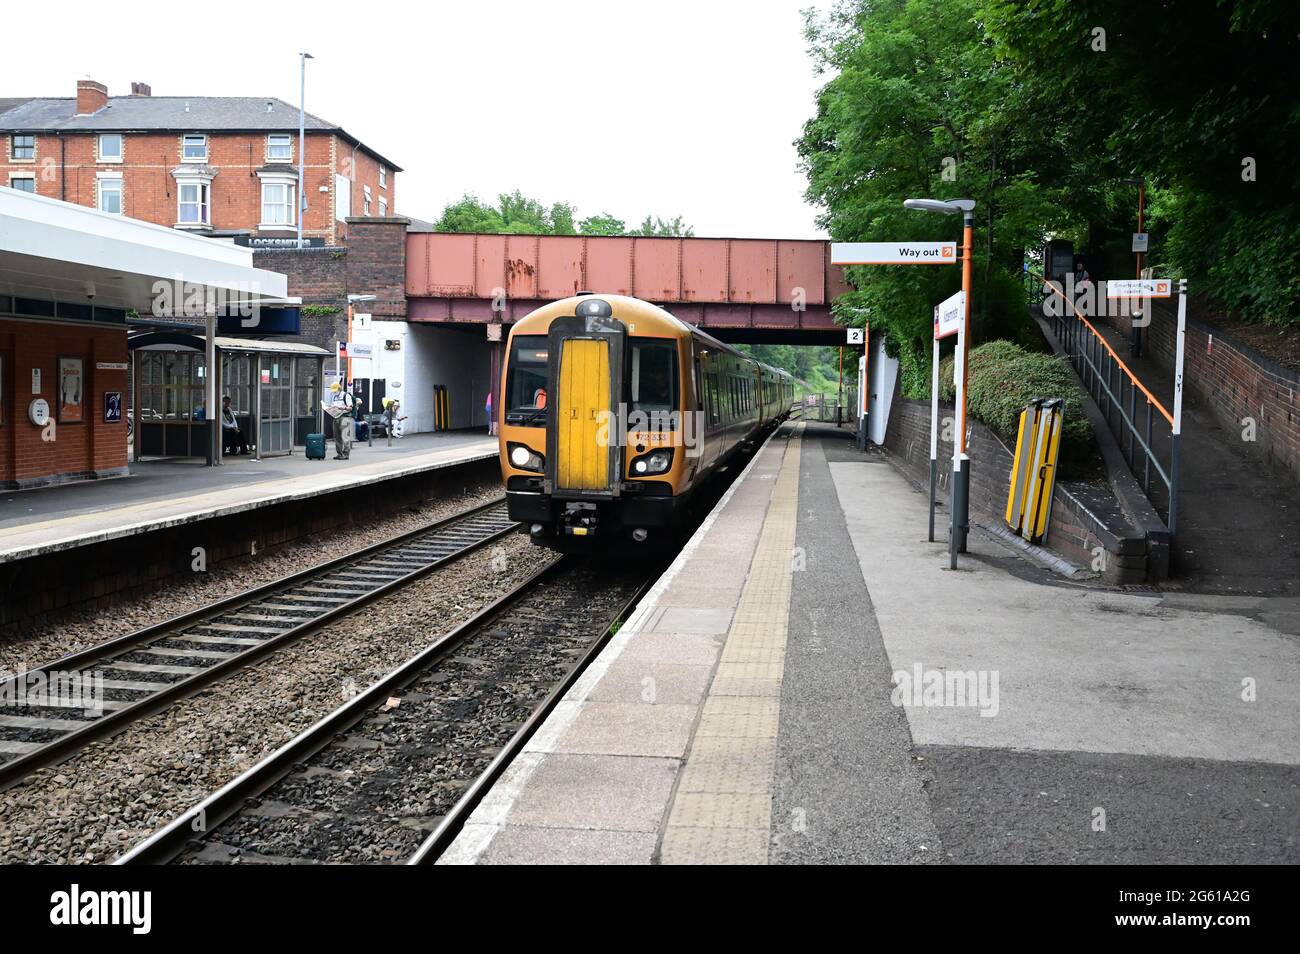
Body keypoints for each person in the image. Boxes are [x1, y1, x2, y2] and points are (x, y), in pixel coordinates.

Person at [328, 382, 356, 459]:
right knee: (337, 436)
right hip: (336, 417)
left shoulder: (346, 395)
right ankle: (339, 453)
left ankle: (346, 454)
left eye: (335, 390)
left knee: (345, 436)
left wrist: (342, 408)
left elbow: (350, 408)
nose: (334, 392)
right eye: (333, 391)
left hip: (345, 417)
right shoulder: (334, 397)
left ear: (339, 389)